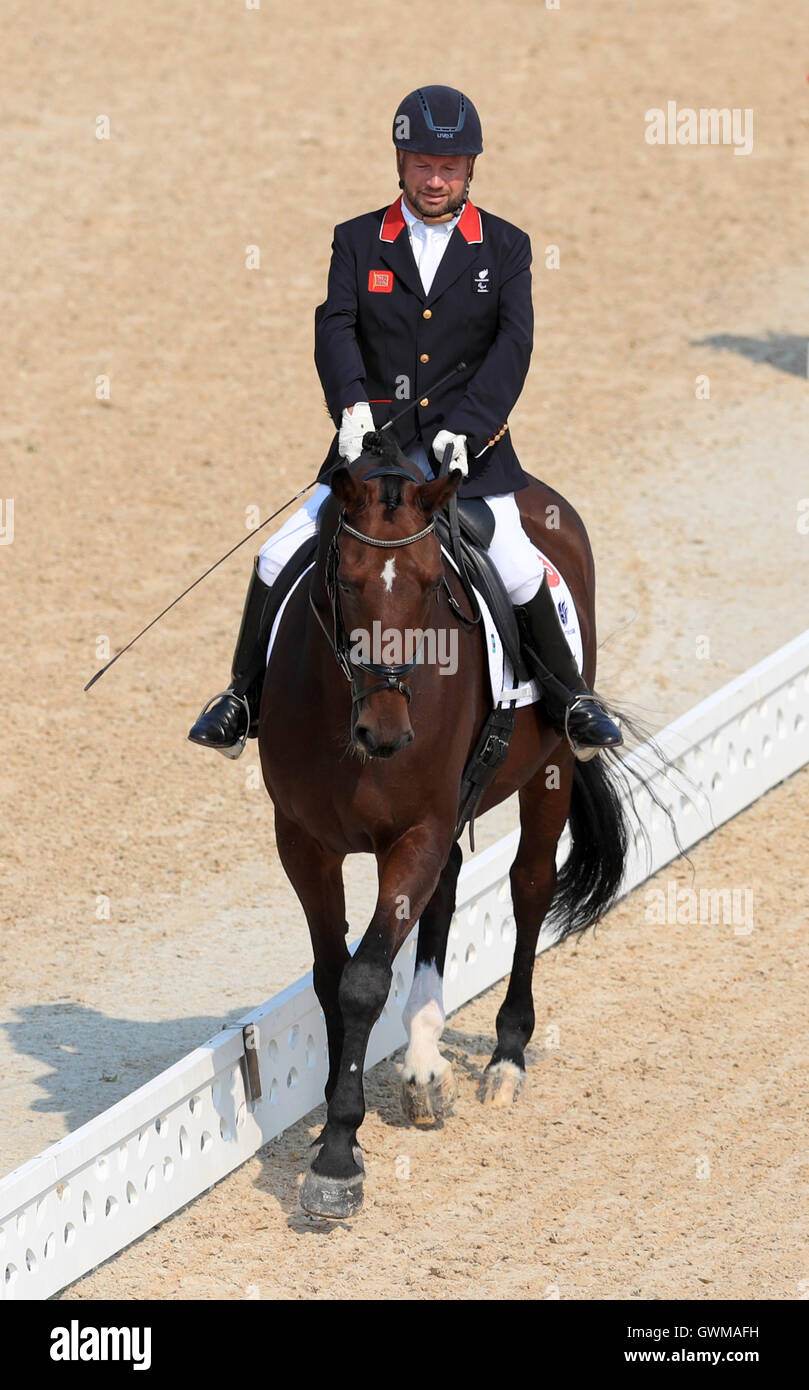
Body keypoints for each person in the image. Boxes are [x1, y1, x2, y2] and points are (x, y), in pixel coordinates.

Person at [189, 85, 622, 760]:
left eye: (448, 167)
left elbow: (514, 345)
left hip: (466, 460)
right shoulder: (358, 240)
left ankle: (572, 703)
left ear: (471, 169)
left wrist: (470, 427)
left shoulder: (504, 247)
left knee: (514, 565)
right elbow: (334, 326)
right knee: (276, 555)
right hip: (372, 452)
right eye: (422, 163)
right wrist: (351, 408)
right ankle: (241, 698)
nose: (434, 179)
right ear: (400, 161)